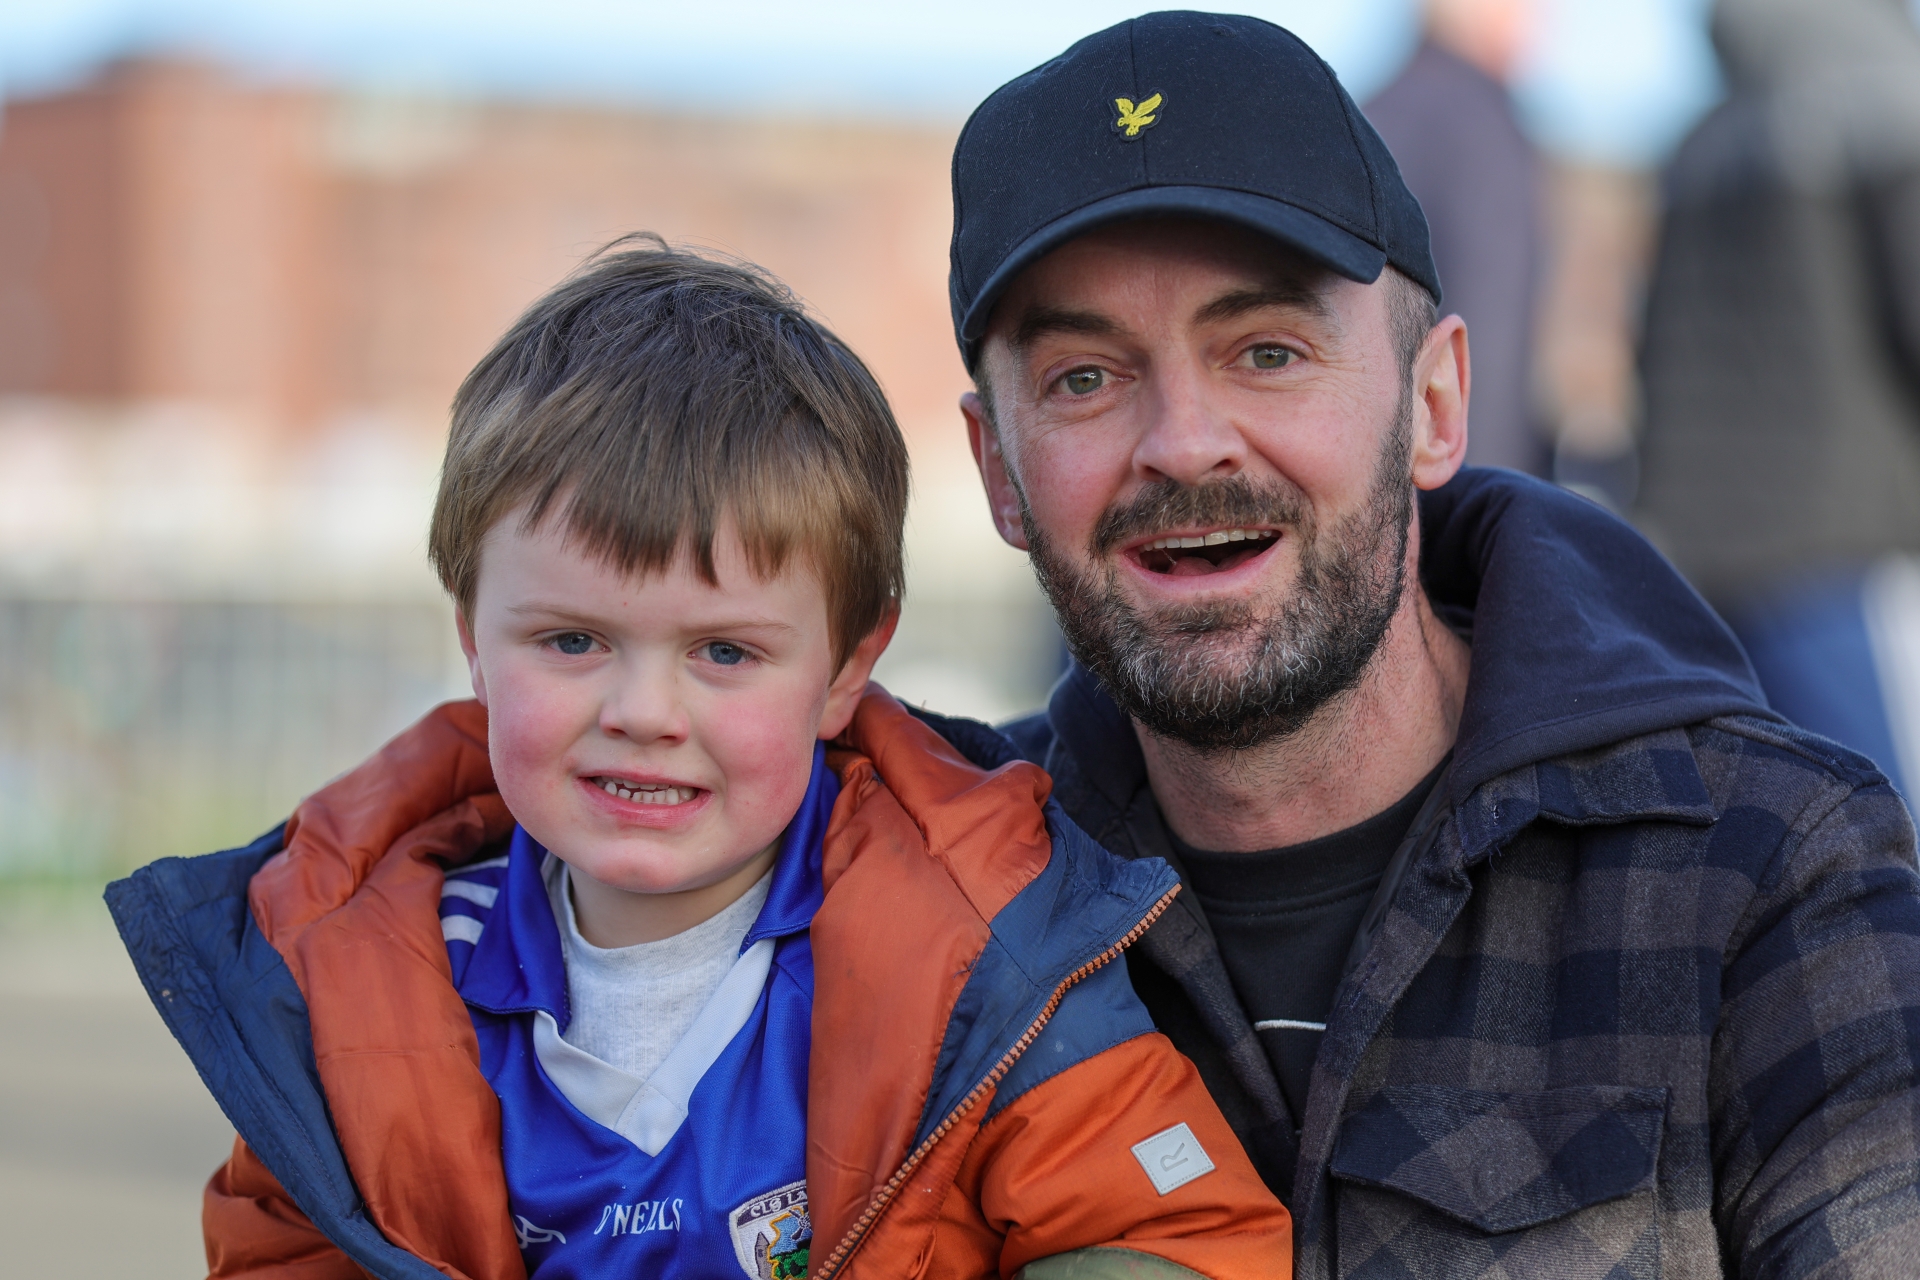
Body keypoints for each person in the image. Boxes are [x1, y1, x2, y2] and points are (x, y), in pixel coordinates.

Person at [106, 241, 1293, 1279]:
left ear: (845, 666)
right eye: (572, 641)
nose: (643, 711)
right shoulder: (348, 978)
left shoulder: (980, 942)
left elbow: (1172, 1231)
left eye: (723, 652)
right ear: (472, 635)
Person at [950, 12, 1920, 1276]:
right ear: (998, 467)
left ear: (1437, 404)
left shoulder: (1766, 869)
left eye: (1268, 352)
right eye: (1084, 376)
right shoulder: (925, 892)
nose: (1183, 441)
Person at [1636, 0, 1920, 814]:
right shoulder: (1887, 99)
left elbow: (1655, 353)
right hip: (1848, 560)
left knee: (1775, 848)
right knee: (1887, 839)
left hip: (1705, 572)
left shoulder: (1700, 141)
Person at [1365, 0, 1546, 477]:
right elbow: (1491, 329)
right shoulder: (1482, 125)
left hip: (1367, 460)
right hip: (1447, 468)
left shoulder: (1366, 116)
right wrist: (1484, 491)